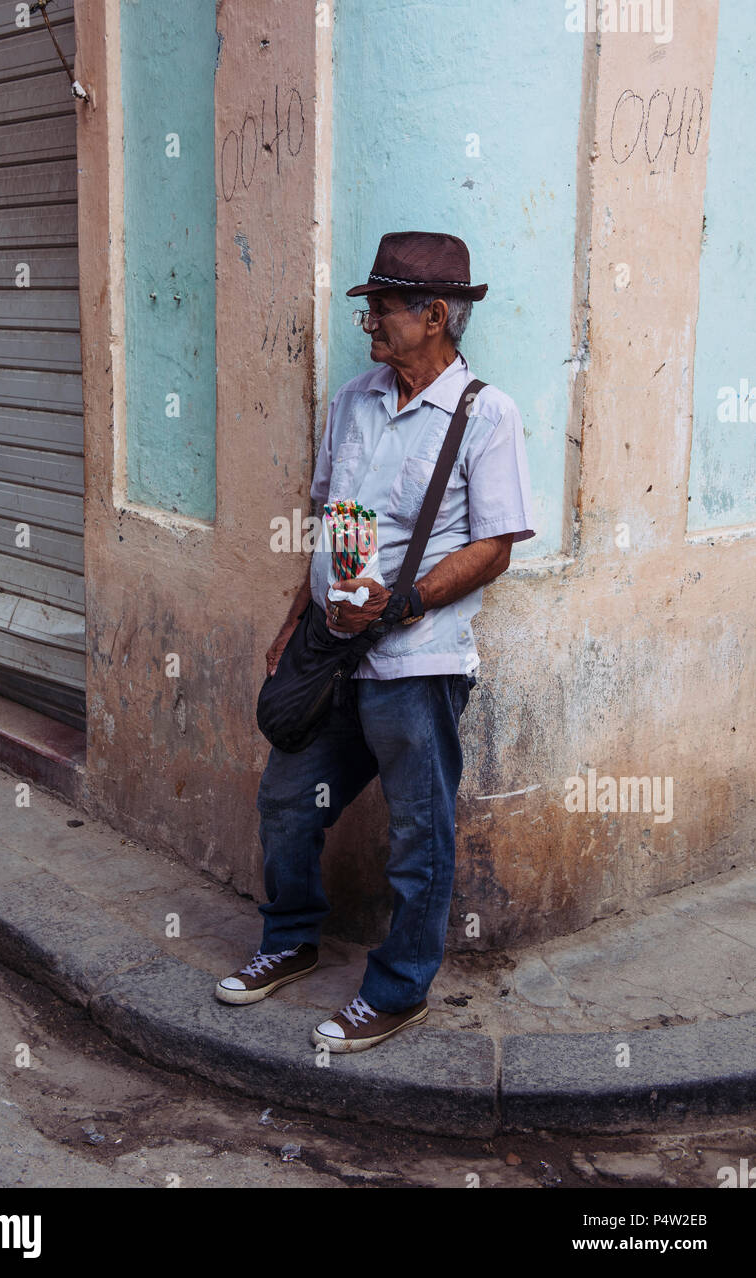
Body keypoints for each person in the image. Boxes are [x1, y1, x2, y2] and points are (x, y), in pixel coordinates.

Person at [216, 231, 536, 1051]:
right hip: (330, 652)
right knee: (288, 801)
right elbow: (329, 518)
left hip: (413, 664)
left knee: (415, 829)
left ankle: (396, 989)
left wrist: (400, 603)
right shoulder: (353, 400)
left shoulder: (485, 415)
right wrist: (300, 611)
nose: (369, 325)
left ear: (434, 316)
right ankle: (288, 940)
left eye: (382, 309)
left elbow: (494, 546)